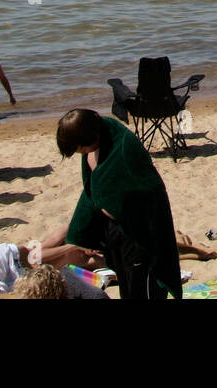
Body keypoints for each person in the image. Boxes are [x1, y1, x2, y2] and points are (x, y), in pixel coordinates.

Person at [57, 108, 182, 299]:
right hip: (117, 234)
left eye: (79, 148)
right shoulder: (98, 141)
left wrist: (109, 209)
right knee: (127, 287)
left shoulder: (124, 149)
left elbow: (143, 197)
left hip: (139, 236)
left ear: (89, 138)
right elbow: (93, 192)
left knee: (143, 289)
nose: (79, 153)